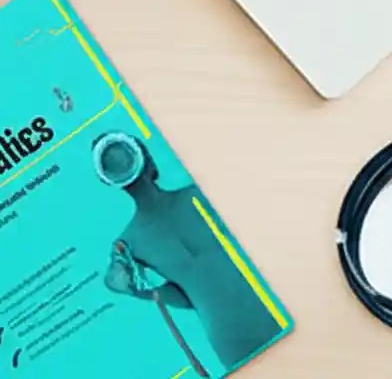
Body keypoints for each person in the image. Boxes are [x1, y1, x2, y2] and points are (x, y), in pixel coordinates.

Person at [95, 132, 280, 369]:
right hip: (235, 337)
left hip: (254, 322)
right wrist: (131, 288)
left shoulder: (200, 196)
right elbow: (182, 296)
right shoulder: (131, 243)